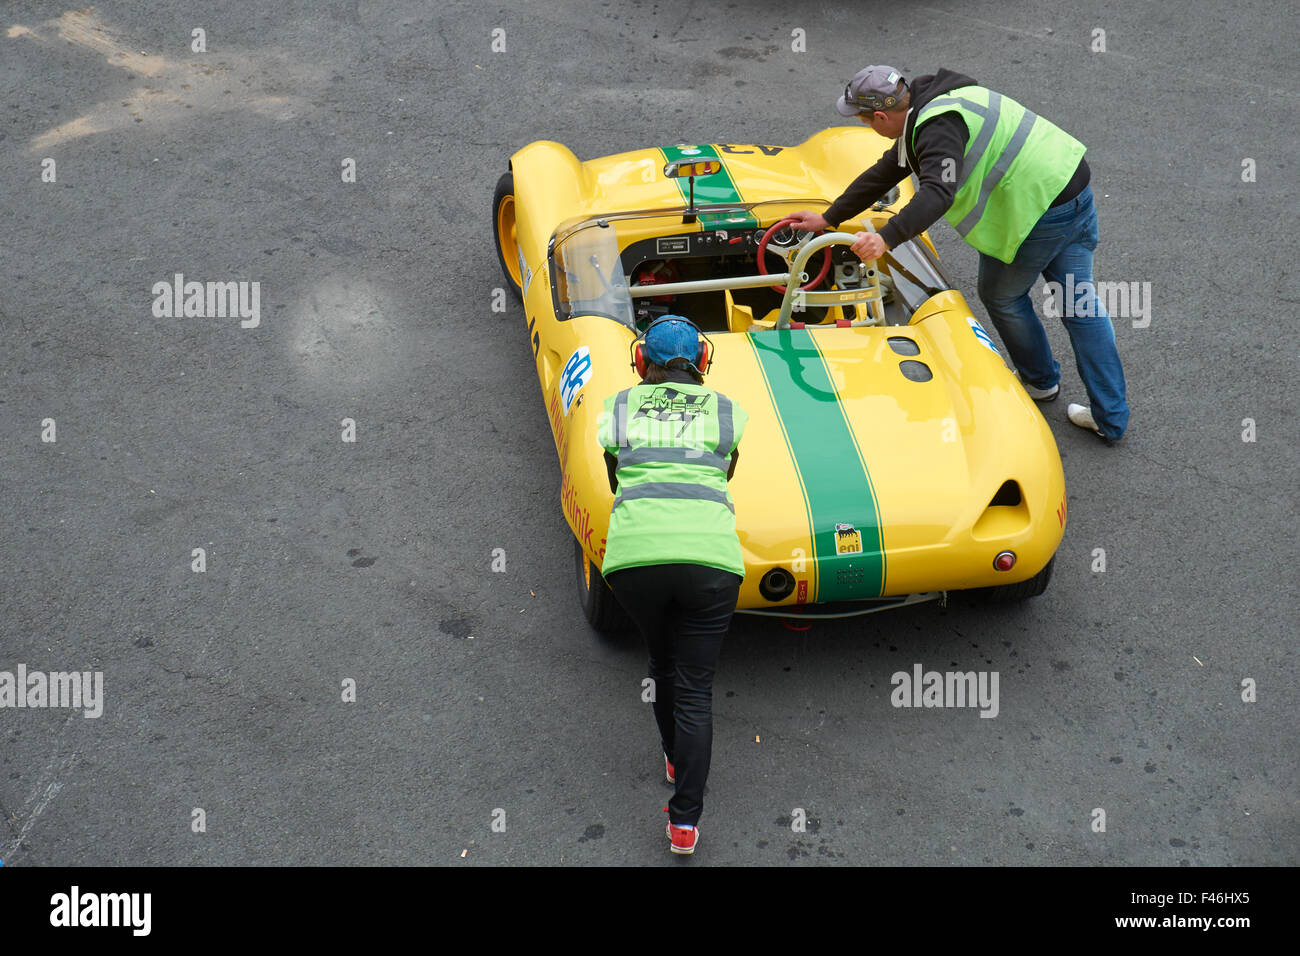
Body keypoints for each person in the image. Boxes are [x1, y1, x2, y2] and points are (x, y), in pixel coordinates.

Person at [789, 65, 1129, 441]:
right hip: (1073, 187)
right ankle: (1110, 416)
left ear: (882, 117)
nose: (871, 129)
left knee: (1002, 295)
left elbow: (937, 192)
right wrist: (829, 217)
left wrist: (886, 238)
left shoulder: (936, 128)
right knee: (1079, 305)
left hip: (1040, 212)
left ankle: (1039, 381)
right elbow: (886, 171)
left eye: (866, 121)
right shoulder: (939, 101)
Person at [596, 315, 748, 856]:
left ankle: (670, 752)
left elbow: (616, 474)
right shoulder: (728, 411)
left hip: (634, 563)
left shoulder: (619, 406)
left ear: (642, 363)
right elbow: (724, 472)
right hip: (710, 564)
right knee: (695, 689)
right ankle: (684, 822)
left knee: (661, 663)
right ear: (702, 361)